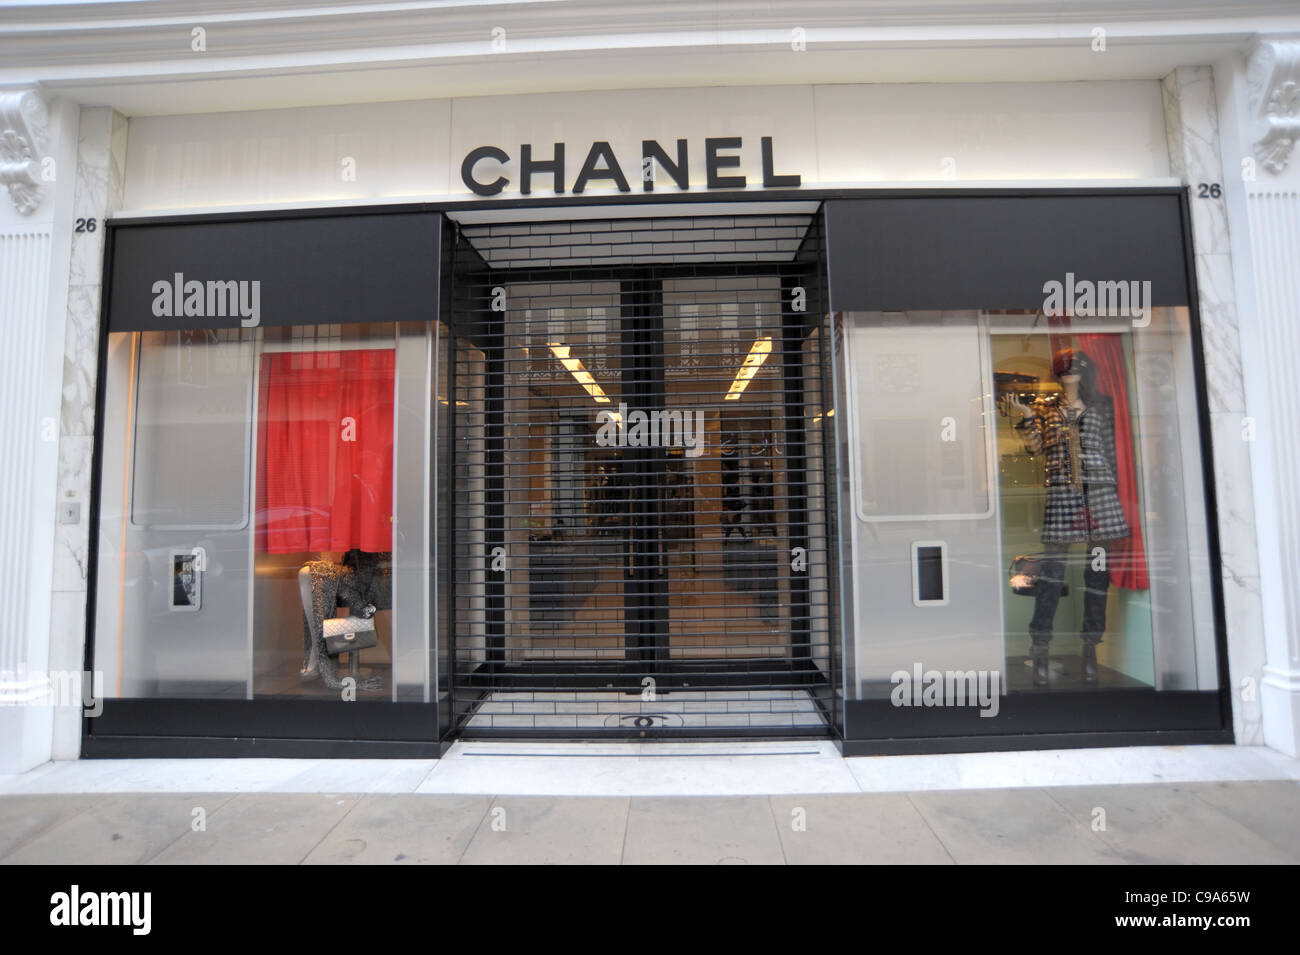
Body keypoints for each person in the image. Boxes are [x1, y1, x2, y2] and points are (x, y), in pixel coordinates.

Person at [1003, 347, 1129, 686]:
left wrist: (1121, 494)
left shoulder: (1103, 406)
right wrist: (1026, 415)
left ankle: (1090, 649)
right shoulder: (1046, 410)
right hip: (1062, 497)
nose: (1068, 373)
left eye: (1073, 368)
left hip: (1100, 497)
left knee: (1096, 578)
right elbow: (1034, 448)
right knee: (1052, 577)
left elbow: (1112, 451)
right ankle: (1040, 646)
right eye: (1062, 369)